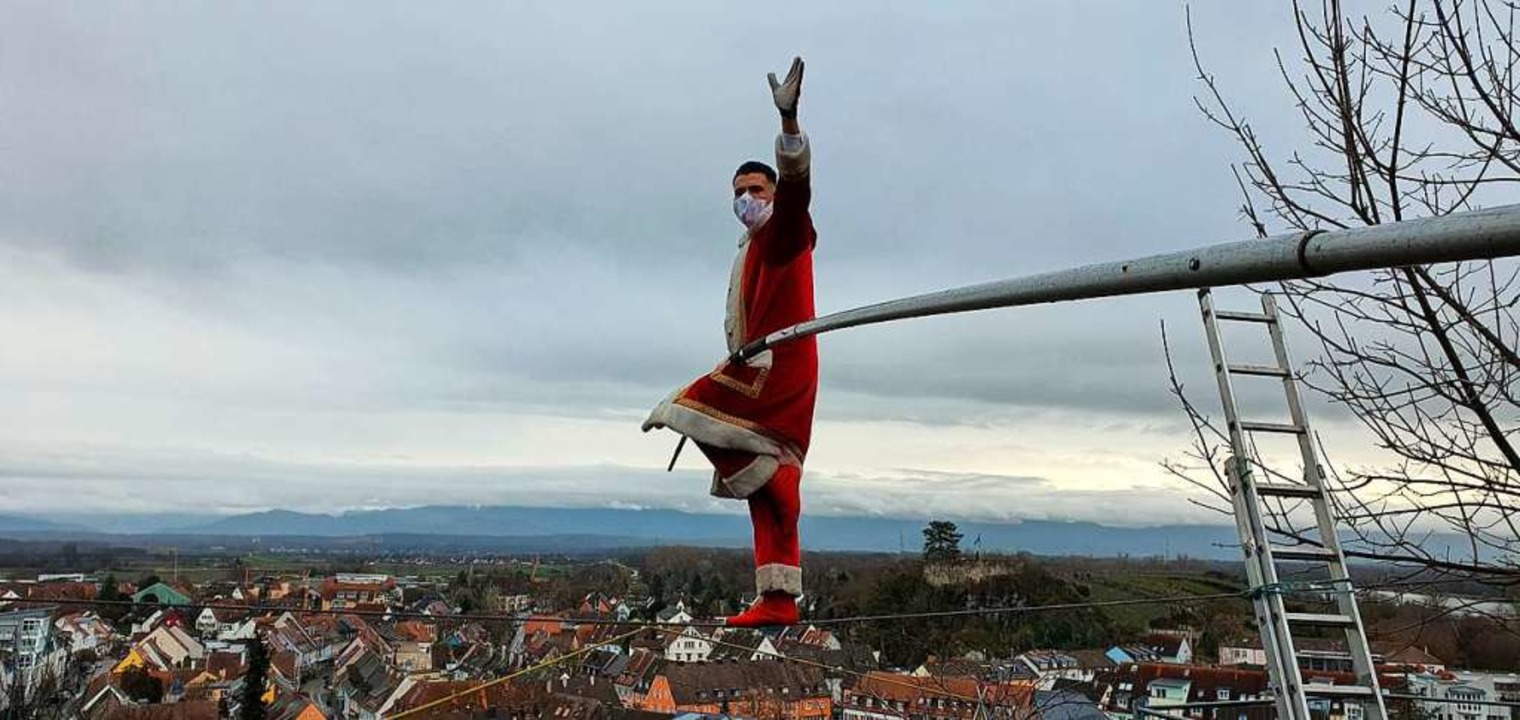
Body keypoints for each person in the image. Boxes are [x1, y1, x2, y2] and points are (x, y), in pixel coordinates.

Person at [642, 56, 817, 627]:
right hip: (760, 363)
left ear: (770, 193)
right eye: (739, 191)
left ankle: (780, 481)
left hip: (778, 369)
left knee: (688, 407)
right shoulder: (748, 248)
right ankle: (778, 598)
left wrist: (789, 125)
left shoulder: (784, 233)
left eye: (755, 188)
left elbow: (795, 194)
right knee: (761, 493)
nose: (747, 199)